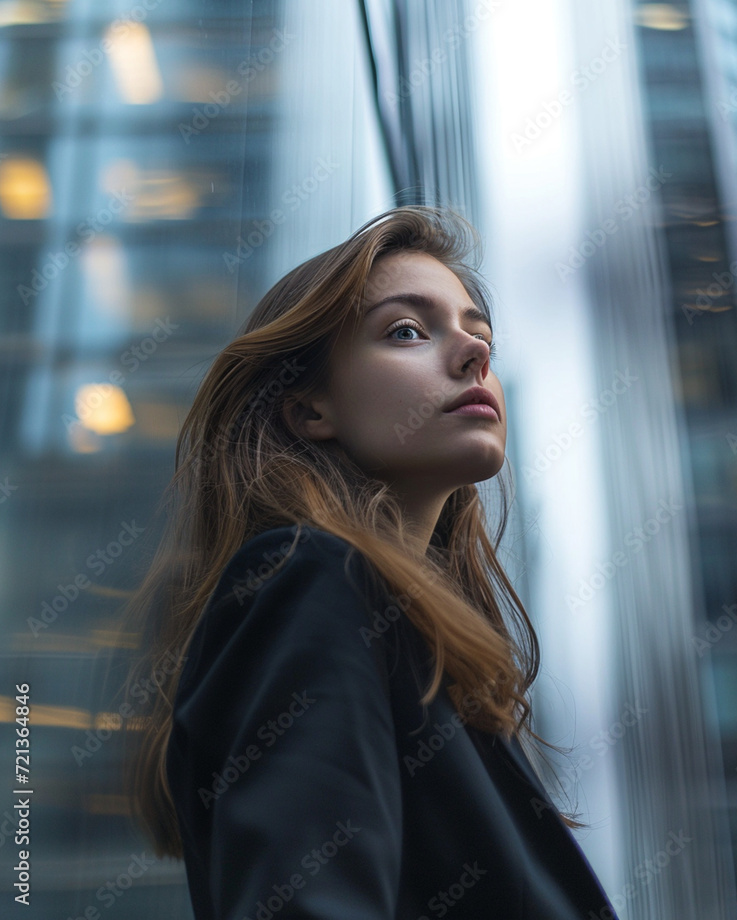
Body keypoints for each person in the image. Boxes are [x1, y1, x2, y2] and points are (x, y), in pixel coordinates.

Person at [117, 205, 620, 919]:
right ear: (310, 410)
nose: (476, 354)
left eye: (481, 335)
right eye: (408, 331)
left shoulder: (414, 652)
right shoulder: (308, 576)